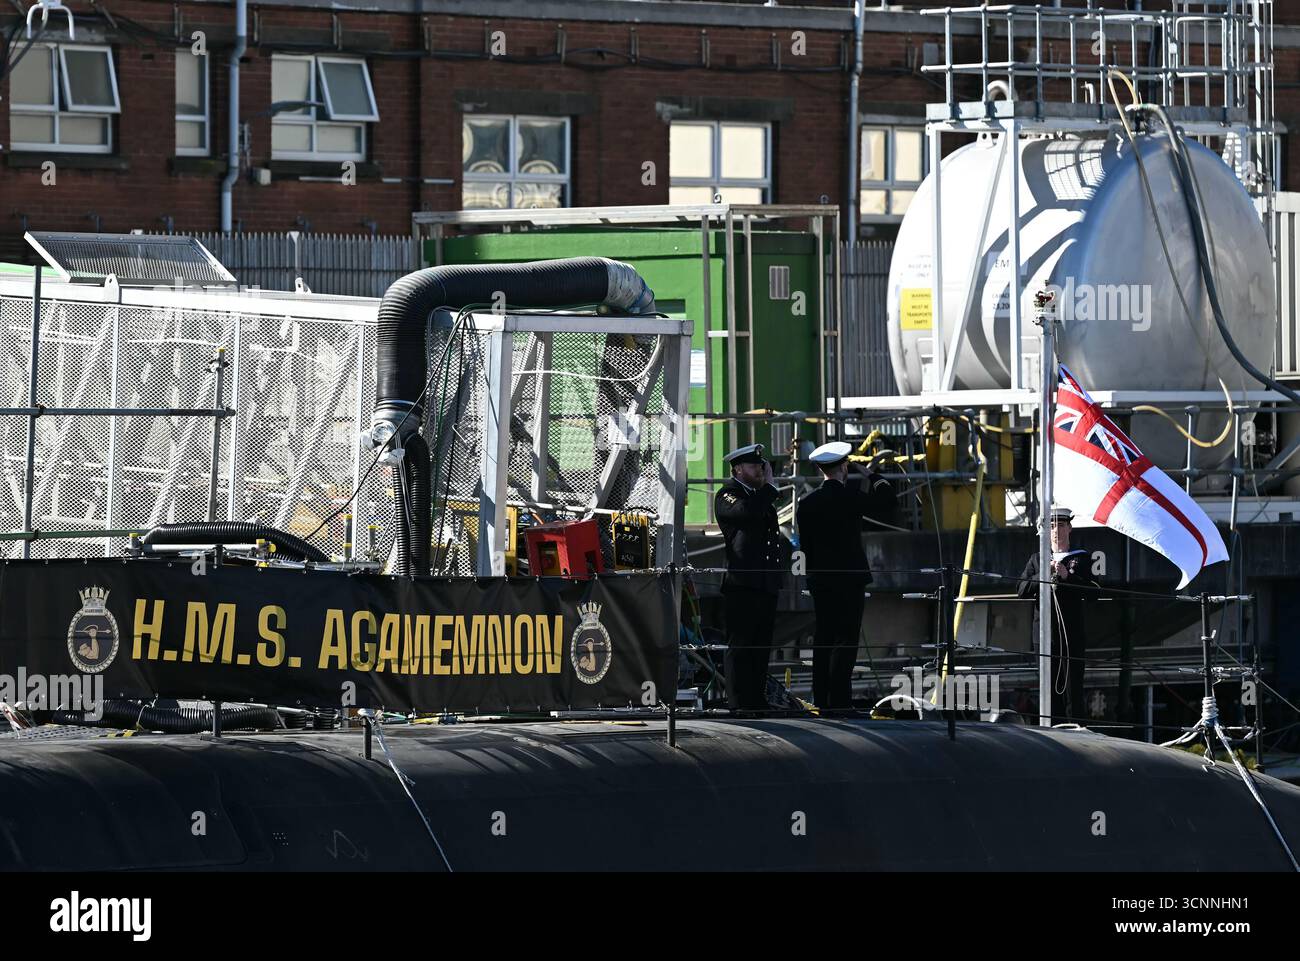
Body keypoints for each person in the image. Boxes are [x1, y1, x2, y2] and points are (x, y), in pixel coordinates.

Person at [795, 440, 896, 710]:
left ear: (819, 469)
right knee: (846, 640)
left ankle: (822, 699)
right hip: (849, 579)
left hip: (820, 580)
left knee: (824, 638)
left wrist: (808, 576)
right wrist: (871, 474)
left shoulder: (806, 503)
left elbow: (804, 547)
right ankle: (840, 702)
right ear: (843, 467)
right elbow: (887, 500)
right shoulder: (850, 497)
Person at [714, 443, 784, 711]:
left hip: (764, 583)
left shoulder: (760, 497)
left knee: (760, 645)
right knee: (740, 645)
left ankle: (756, 698)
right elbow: (746, 513)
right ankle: (738, 702)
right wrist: (768, 488)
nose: (761, 470)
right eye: (755, 466)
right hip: (742, 585)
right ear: (738, 469)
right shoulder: (728, 495)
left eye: (761, 465)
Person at [1017, 506, 1098, 725]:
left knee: (1072, 687)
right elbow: (1021, 590)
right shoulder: (1037, 559)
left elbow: (1094, 592)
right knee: (1048, 685)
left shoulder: (1081, 559)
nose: (1056, 531)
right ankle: (1051, 729)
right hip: (1044, 633)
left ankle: (1075, 728)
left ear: (1069, 528)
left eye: (1060, 525)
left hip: (1071, 632)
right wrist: (1043, 575)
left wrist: (1067, 576)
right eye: (1051, 526)